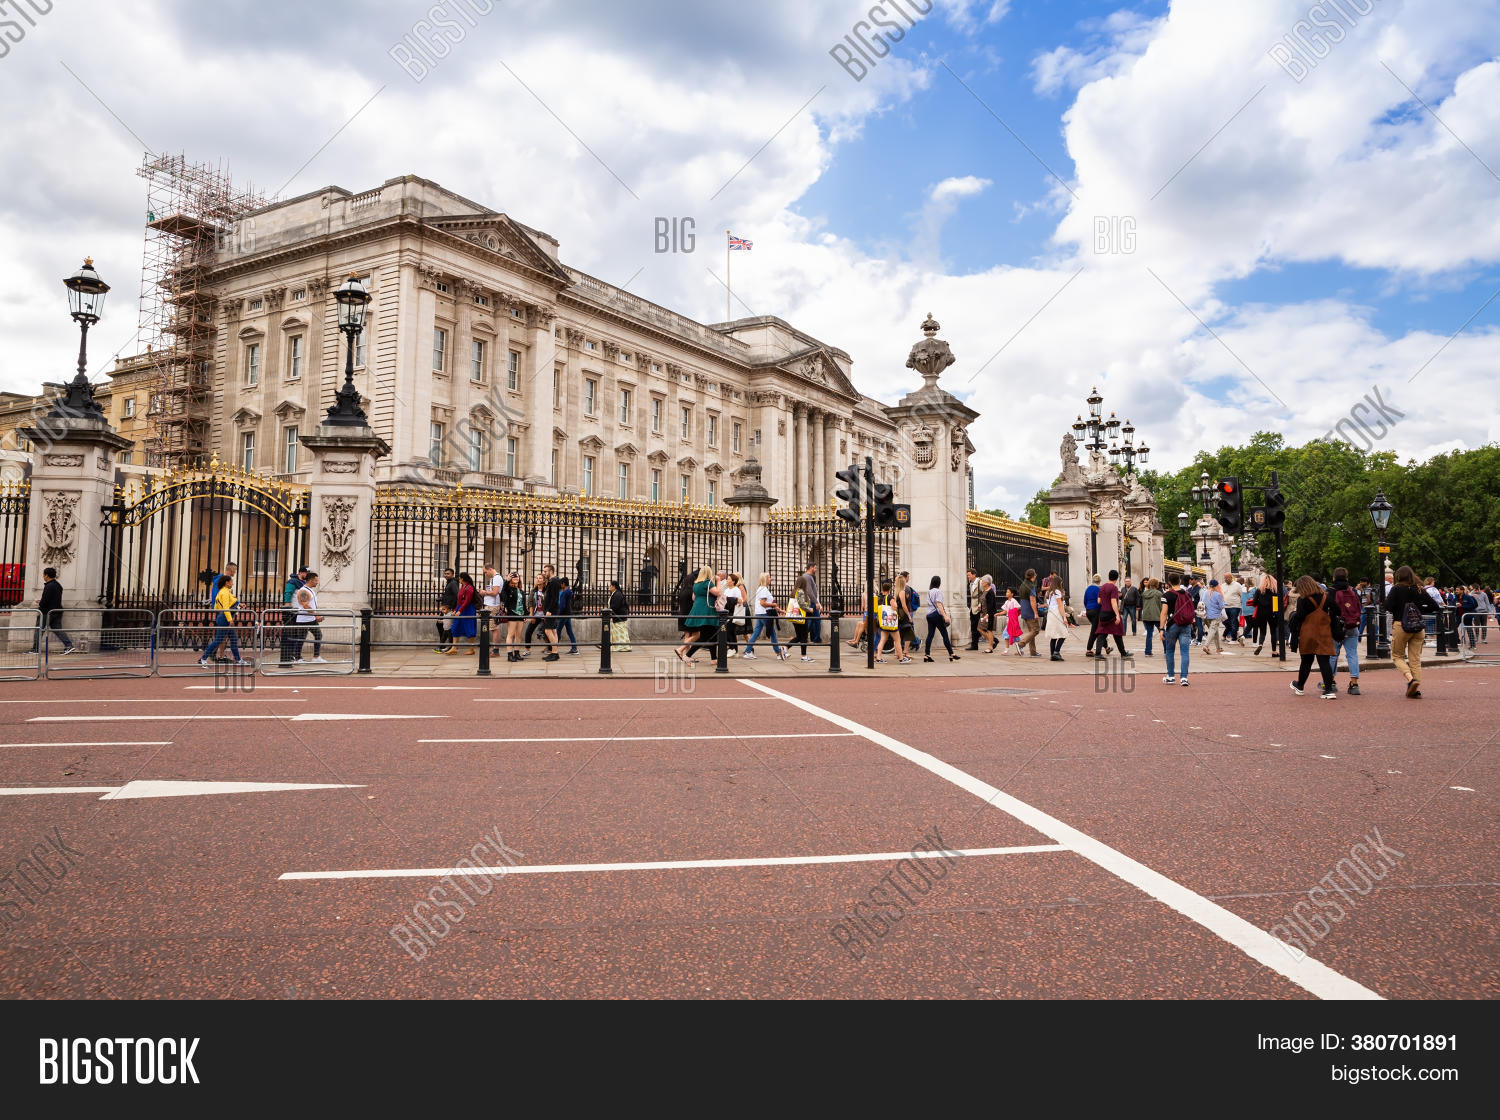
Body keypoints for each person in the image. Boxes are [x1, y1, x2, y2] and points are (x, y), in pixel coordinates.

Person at [1386, 565, 1433, 698]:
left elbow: (1387, 606)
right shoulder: (1418, 588)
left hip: (1401, 625)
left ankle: (1410, 679)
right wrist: (1419, 611)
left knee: (1397, 656)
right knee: (1415, 659)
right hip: (1418, 627)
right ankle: (1415, 688)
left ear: (1399, 576)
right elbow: (1434, 606)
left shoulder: (1396, 588)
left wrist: (1397, 608)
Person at [1288, 575, 1338, 698]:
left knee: (1306, 661)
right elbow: (1337, 610)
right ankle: (1329, 690)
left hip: (1308, 632)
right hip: (1324, 632)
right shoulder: (1326, 597)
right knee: (1324, 662)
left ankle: (1300, 686)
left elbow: (1300, 617)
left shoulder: (1303, 600)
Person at [199, 572, 248, 667]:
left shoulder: (224, 591)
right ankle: (203, 658)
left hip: (223, 617)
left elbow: (218, 606)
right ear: (227, 583)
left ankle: (238, 659)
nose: (233, 583)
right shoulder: (225, 592)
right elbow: (225, 607)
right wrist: (230, 619)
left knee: (233, 639)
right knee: (218, 640)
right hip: (225, 618)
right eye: (231, 582)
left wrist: (239, 604)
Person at [1329, 568, 1364, 695]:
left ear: (1334, 578)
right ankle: (1354, 684)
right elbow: (1359, 607)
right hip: (1352, 626)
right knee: (1352, 654)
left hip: (1336, 627)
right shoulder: (1352, 590)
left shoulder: (1331, 591)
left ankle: (1331, 682)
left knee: (1333, 655)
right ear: (1347, 578)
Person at [676, 565, 718, 664]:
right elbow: (718, 592)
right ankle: (687, 655)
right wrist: (719, 581)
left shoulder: (696, 584)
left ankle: (714, 659)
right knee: (704, 636)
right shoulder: (708, 583)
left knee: (711, 635)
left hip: (697, 611)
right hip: (707, 611)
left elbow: (694, 598)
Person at [1159, 572, 1194, 686]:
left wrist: (1161, 629)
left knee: (1170, 651)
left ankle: (1171, 676)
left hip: (1172, 625)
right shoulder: (1187, 594)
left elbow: (1164, 613)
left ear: (1169, 583)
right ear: (1179, 581)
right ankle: (1184, 678)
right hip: (1185, 625)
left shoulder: (1166, 595)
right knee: (1185, 652)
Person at [742, 572, 786, 660]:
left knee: (756, 633)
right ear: (765, 579)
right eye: (769, 577)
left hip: (761, 613)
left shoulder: (762, 588)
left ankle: (747, 651)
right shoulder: (763, 589)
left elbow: (768, 603)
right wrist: (773, 605)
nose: (770, 579)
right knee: (772, 633)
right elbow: (763, 603)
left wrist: (780, 610)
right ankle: (778, 653)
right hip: (764, 614)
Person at [32, 567, 75, 655]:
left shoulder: (49, 586)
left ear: (46, 575)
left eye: (43, 574)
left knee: (38, 629)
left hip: (47, 612)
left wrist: (39, 610)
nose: (43, 576)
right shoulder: (58, 585)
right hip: (56, 610)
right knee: (57, 629)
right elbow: (53, 599)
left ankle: (35, 649)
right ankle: (69, 645)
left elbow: (45, 601)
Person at [923, 575, 960, 662]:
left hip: (929, 615)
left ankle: (926, 655)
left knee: (930, 635)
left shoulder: (929, 592)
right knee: (944, 634)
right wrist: (945, 616)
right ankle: (951, 654)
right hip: (936, 615)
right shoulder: (938, 592)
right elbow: (939, 604)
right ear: (939, 583)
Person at [1092, 570, 1128, 657]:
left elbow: (1099, 601)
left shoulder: (1102, 587)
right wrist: (1117, 615)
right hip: (1111, 614)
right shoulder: (1113, 588)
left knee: (1102, 633)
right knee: (1118, 633)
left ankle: (1098, 653)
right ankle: (1123, 652)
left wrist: (1105, 602)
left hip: (1103, 613)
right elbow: (1114, 602)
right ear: (1117, 577)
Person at [292, 571, 325, 663]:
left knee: (318, 635)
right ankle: (297, 658)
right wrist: (316, 615)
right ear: (310, 580)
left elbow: (311, 604)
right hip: (304, 619)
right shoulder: (303, 591)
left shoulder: (310, 590)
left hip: (311, 618)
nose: (317, 582)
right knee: (301, 638)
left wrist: (316, 615)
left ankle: (316, 657)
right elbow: (305, 605)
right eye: (315, 580)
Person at [279, 565, 307, 666]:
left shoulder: (304, 584)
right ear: (301, 573)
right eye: (306, 573)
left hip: (300, 613)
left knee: (298, 635)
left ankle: (295, 655)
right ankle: (290, 657)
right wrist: (287, 607)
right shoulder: (293, 582)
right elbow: (288, 593)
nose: (307, 575)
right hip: (293, 613)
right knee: (291, 635)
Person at [1043, 575, 1071, 661]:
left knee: (1054, 635)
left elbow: (1048, 604)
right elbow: (1060, 606)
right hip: (1057, 613)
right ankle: (1056, 652)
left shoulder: (1049, 592)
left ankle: (1053, 655)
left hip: (1051, 614)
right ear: (1059, 583)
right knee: (1064, 633)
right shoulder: (1057, 592)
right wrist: (1064, 618)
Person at [449, 572, 478, 655]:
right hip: (460, 608)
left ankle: (472, 649)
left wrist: (460, 610)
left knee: (470, 628)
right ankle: (454, 647)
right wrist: (456, 609)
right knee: (455, 627)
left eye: (459, 578)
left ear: (462, 578)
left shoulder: (469, 588)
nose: (459, 579)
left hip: (468, 610)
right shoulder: (463, 586)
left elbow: (467, 601)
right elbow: (459, 600)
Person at [872, 578, 900, 664]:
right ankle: (901, 657)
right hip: (889, 621)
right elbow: (895, 607)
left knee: (879, 638)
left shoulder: (879, 597)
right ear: (889, 589)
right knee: (895, 639)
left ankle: (876, 655)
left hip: (880, 620)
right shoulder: (890, 597)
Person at [539, 564, 563, 662]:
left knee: (548, 631)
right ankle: (554, 652)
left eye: (546, 571)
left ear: (551, 571)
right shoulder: (552, 581)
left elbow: (554, 598)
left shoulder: (554, 582)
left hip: (551, 611)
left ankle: (555, 652)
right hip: (551, 610)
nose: (544, 573)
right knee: (553, 631)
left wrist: (549, 610)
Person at [501, 571, 525, 662]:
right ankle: (510, 654)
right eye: (513, 576)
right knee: (510, 634)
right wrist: (506, 581)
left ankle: (517, 653)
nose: (516, 578)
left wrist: (525, 614)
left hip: (520, 614)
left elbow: (523, 604)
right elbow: (502, 593)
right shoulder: (508, 588)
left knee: (518, 635)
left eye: (517, 576)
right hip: (512, 613)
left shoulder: (521, 590)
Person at [433, 566, 459, 653]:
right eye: (445, 573)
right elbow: (449, 595)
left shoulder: (453, 583)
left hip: (449, 609)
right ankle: (446, 645)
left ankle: (449, 646)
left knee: (445, 626)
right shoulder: (450, 582)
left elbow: (457, 595)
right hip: (446, 608)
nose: (446, 575)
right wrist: (442, 598)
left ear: (452, 574)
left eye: (448, 574)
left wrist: (453, 608)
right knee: (442, 625)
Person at [1016, 569, 1040, 657]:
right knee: (1036, 630)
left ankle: (1033, 652)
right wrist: (1035, 613)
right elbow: (1032, 600)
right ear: (1034, 576)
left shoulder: (1023, 584)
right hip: (1030, 610)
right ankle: (1020, 644)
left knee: (1031, 631)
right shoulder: (1031, 585)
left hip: (1024, 609)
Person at [722, 572, 745, 656]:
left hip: (733, 612)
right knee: (730, 632)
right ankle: (735, 650)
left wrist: (730, 599)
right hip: (726, 612)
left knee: (729, 631)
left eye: (728, 579)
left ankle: (732, 648)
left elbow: (740, 601)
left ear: (733, 581)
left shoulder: (736, 590)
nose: (727, 581)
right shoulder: (726, 590)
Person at [1201, 579, 1225, 655]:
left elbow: (1202, 602)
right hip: (1215, 615)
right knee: (1212, 631)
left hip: (1206, 615)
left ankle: (1218, 648)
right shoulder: (1218, 594)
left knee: (1215, 631)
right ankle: (1206, 645)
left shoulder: (1205, 593)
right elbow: (1221, 606)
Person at [1140, 578, 1162, 658]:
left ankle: (1148, 651)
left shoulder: (1145, 593)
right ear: (1157, 584)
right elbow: (1161, 605)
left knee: (1149, 634)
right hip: (1156, 615)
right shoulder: (1159, 593)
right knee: (1163, 632)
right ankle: (1167, 650)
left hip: (1146, 615)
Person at [608, 579, 631, 652]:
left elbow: (615, 606)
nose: (609, 587)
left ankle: (622, 646)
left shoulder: (617, 594)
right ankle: (617, 645)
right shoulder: (616, 593)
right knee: (618, 632)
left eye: (610, 585)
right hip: (619, 616)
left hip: (619, 616)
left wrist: (610, 614)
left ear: (614, 587)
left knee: (620, 632)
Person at [1082, 573, 1102, 655]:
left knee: (1097, 629)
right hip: (1096, 610)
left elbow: (1085, 600)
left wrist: (1087, 609)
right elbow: (1100, 601)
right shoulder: (1099, 589)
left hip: (1089, 611)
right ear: (1100, 581)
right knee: (1094, 631)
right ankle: (1088, 649)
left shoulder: (1088, 589)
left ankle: (1107, 647)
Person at [978, 574, 998, 653]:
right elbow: (983, 601)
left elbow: (991, 605)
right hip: (984, 614)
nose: (982, 582)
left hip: (989, 614)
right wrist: (980, 606)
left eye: (983, 581)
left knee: (989, 630)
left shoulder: (990, 592)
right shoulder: (985, 590)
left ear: (987, 582)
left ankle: (990, 647)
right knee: (980, 628)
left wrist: (988, 615)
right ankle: (991, 642)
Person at [1222, 574, 1245, 644]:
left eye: (1227, 578)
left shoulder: (1237, 585)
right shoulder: (1223, 585)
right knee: (1227, 622)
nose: (1225, 579)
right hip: (1225, 607)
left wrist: (1239, 604)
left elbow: (1242, 595)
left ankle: (1234, 639)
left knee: (1233, 621)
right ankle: (1237, 633)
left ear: (1231, 577)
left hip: (1235, 606)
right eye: (1224, 578)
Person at [966, 568, 983, 651]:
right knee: (973, 627)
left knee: (980, 627)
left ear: (974, 575)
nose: (968, 577)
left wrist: (980, 604)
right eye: (967, 575)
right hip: (972, 608)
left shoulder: (980, 582)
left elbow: (983, 595)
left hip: (978, 607)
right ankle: (974, 645)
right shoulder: (970, 583)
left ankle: (994, 640)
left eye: (969, 575)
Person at [1003, 588, 1022, 653]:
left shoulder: (1013, 601)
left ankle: (1006, 650)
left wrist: (1012, 612)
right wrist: (998, 614)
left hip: (1012, 621)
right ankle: (1020, 649)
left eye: (1008, 592)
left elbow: (1019, 607)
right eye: (1006, 592)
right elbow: (1005, 611)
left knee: (1006, 634)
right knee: (1015, 636)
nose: (1006, 593)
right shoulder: (1007, 602)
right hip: (1008, 620)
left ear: (1012, 594)